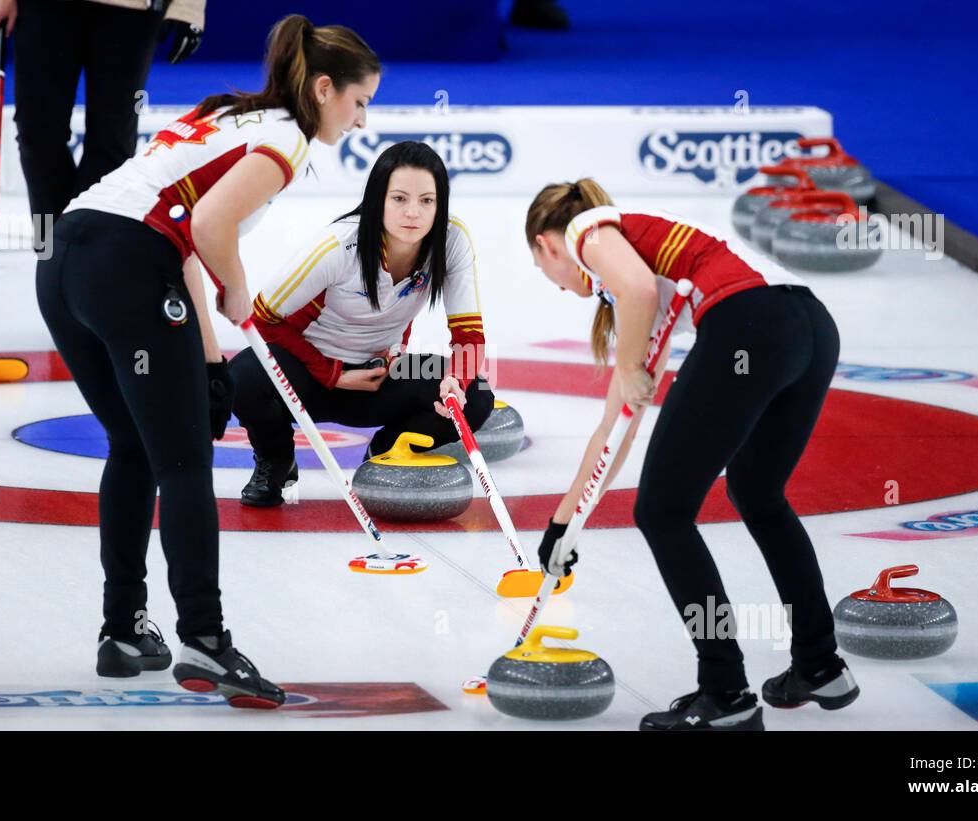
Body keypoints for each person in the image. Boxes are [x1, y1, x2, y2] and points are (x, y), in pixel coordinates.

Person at [34, 14, 380, 708]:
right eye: (360, 101)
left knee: (133, 443)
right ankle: (206, 638)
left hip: (66, 260)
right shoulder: (287, 139)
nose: (363, 120)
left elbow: (178, 235)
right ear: (321, 89)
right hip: (127, 267)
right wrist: (240, 289)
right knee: (185, 458)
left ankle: (124, 628)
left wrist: (212, 357)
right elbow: (207, 228)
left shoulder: (230, 113)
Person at [524, 178, 859, 731]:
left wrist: (630, 367)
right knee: (757, 492)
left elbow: (634, 290)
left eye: (545, 272)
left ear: (546, 244)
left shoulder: (588, 228)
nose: (559, 286)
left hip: (748, 325)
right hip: (811, 330)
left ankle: (725, 692)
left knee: (662, 512)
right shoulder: (649, 282)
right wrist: (565, 522)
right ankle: (819, 664)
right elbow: (617, 426)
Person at [229, 141, 493, 506]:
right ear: (377, 200)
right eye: (399, 198)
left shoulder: (452, 240)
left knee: (477, 394)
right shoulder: (338, 245)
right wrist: (332, 373)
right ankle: (276, 460)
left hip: (382, 376)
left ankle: (385, 453)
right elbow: (261, 320)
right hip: (310, 377)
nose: (413, 213)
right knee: (243, 375)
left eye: (426, 201)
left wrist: (457, 381)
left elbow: (468, 333)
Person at [0, 0, 207, 250]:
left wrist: (188, 8)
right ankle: (50, 249)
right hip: (44, 9)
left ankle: (87, 256)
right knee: (36, 133)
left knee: (113, 139)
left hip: (132, 11)